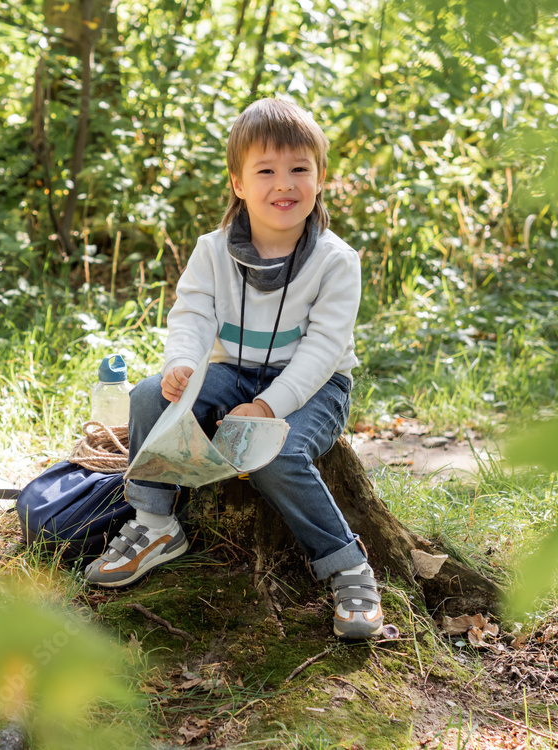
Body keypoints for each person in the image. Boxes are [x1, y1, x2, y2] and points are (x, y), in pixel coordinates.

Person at [84, 98, 383, 639]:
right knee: (151, 395)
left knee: (274, 452)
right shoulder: (213, 250)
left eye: (299, 169)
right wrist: (181, 365)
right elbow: (195, 314)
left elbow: (321, 349)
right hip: (235, 371)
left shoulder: (336, 261)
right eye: (265, 171)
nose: (283, 184)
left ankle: (347, 568)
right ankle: (154, 524)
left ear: (320, 178)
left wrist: (268, 406)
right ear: (238, 183)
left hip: (315, 386)